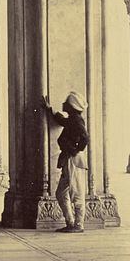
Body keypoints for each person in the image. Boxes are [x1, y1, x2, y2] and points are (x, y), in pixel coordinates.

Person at [42, 91, 89, 233]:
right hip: (69, 159)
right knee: (61, 193)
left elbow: (85, 137)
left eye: (66, 103)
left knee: (76, 193)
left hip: (73, 160)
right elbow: (62, 121)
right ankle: (71, 223)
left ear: (71, 106)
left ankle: (78, 225)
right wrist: (49, 109)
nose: (63, 104)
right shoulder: (73, 119)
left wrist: (76, 150)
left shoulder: (77, 120)